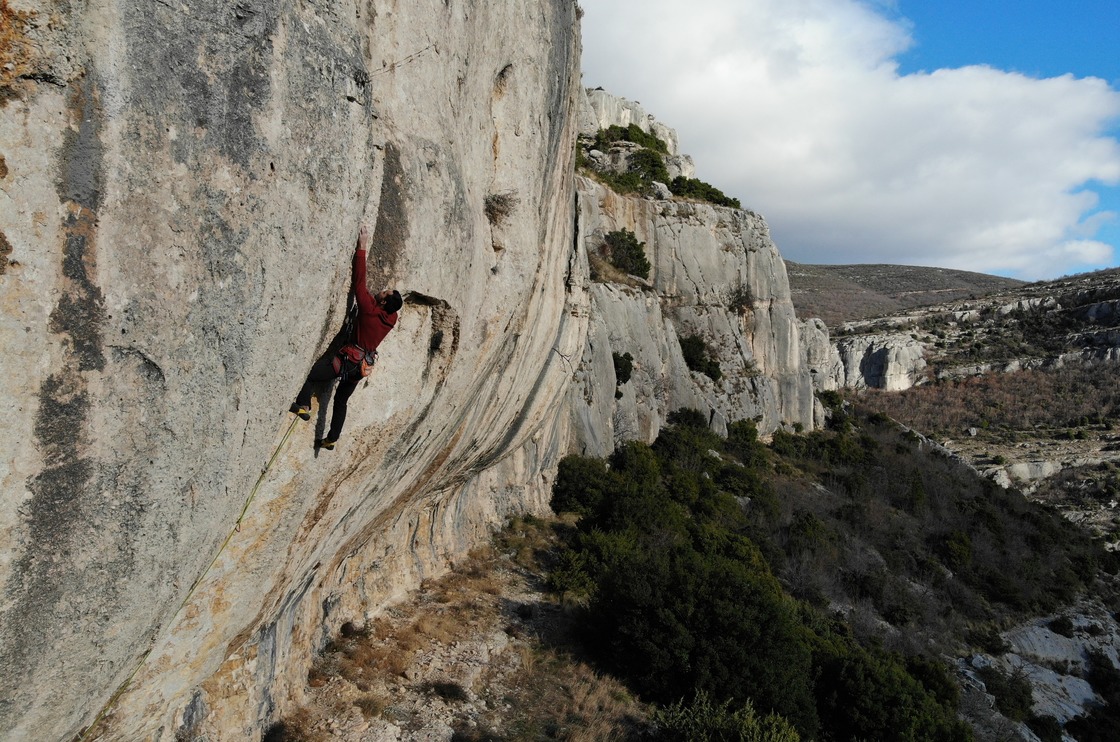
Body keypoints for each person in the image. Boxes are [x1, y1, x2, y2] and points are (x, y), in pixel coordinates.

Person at [291, 224, 402, 450]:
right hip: (362, 366)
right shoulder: (391, 319)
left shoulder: (370, 310)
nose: (381, 290)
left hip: (348, 360)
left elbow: (359, 282)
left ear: (382, 302)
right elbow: (376, 300)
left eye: (385, 292)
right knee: (341, 400)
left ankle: (303, 406)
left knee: (312, 375)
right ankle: (331, 438)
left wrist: (362, 247)